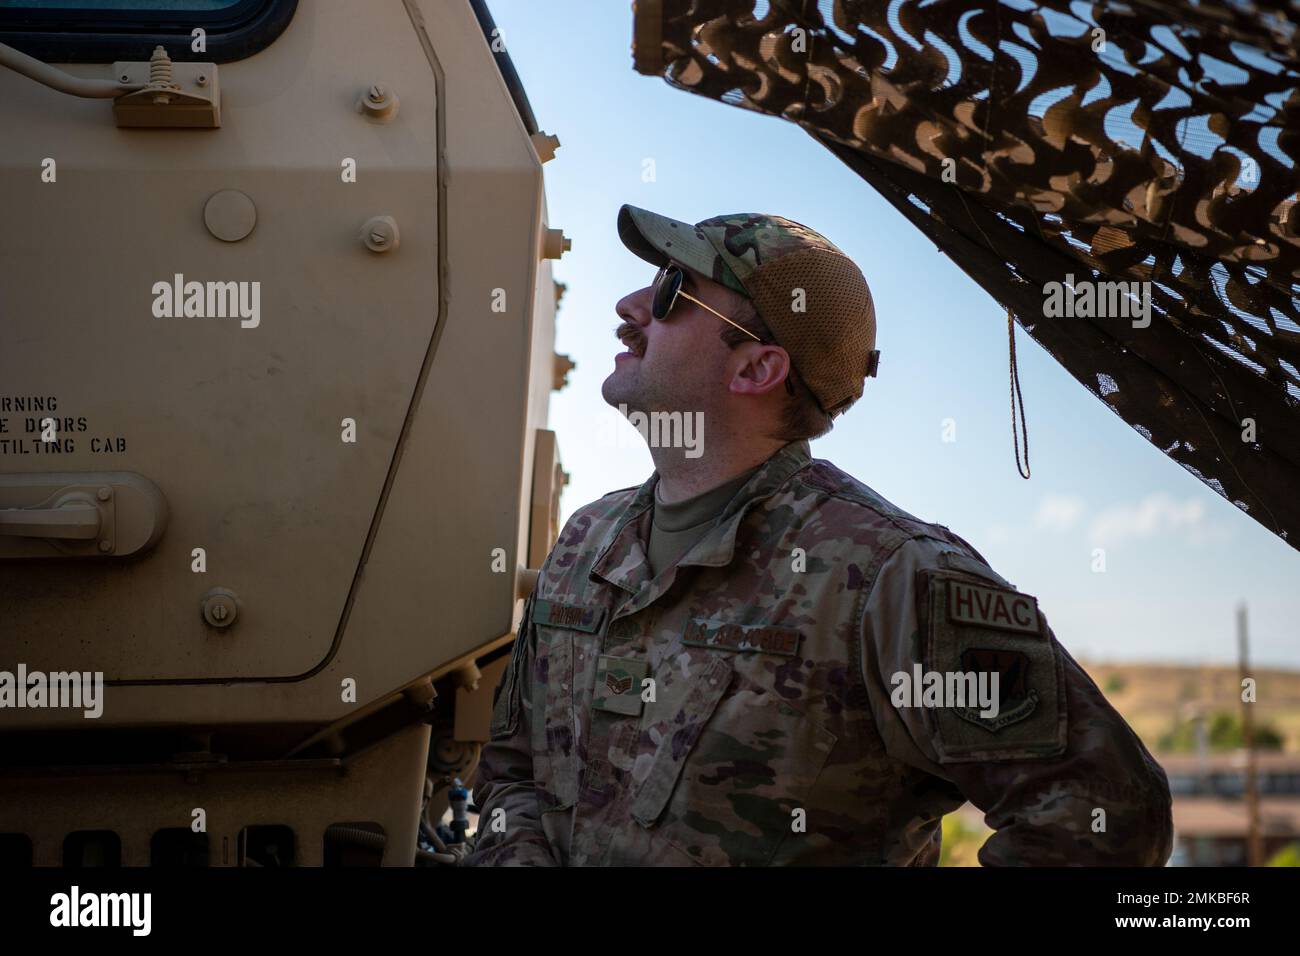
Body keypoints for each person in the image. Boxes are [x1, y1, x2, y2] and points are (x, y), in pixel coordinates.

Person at [464, 205, 1173, 866]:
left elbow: (1108, 815)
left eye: (674, 289)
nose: (631, 308)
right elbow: (510, 772)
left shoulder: (892, 576)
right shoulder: (588, 539)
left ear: (758, 367)